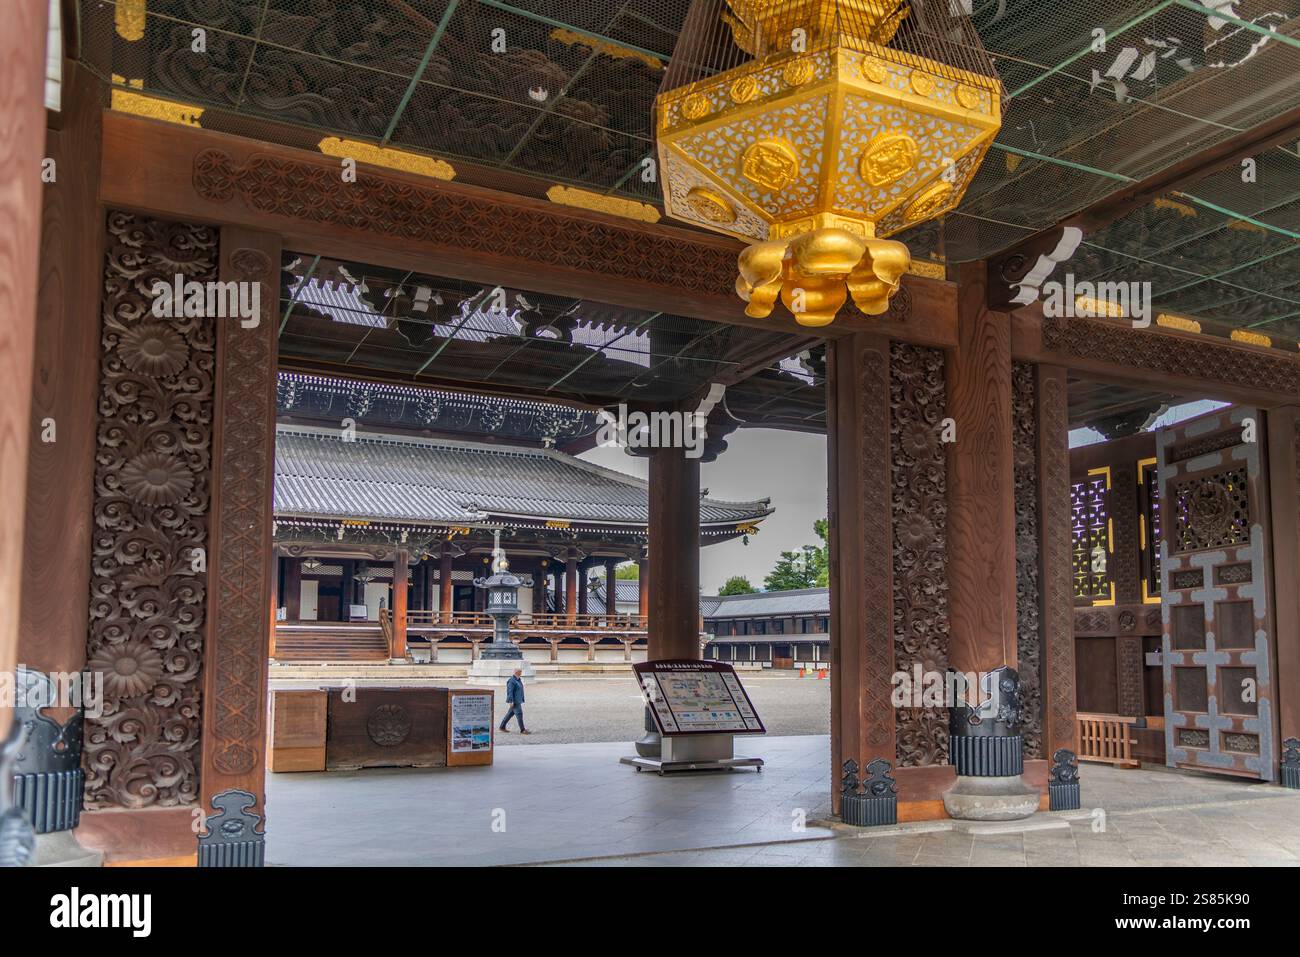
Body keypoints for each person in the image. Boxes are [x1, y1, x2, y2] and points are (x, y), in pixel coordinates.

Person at [498, 669, 530, 734]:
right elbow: (510, 691)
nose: (521, 673)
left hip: (518, 700)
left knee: (509, 715)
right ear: (516, 672)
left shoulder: (518, 680)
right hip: (515, 701)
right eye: (520, 672)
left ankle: (502, 727)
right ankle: (522, 730)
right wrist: (511, 701)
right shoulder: (512, 681)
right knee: (519, 714)